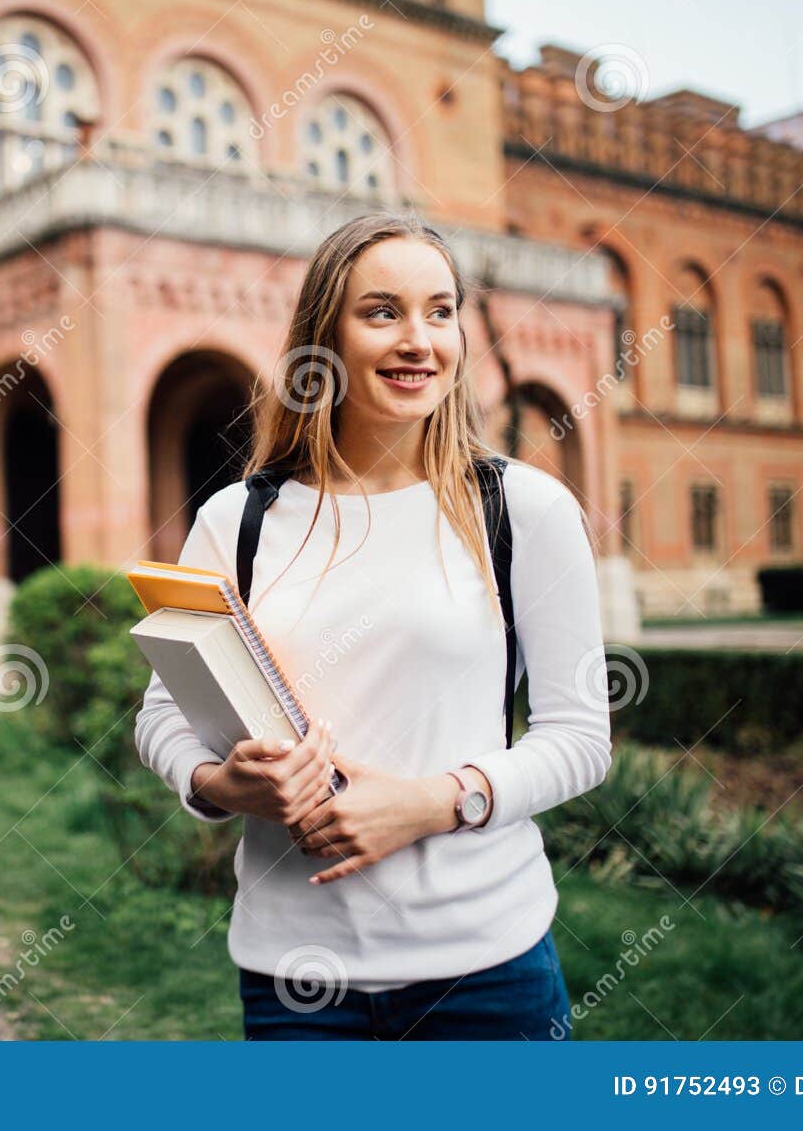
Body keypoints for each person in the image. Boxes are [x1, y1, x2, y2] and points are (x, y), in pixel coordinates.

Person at [133, 212, 612, 1040]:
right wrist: (219, 785)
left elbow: (581, 737)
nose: (418, 339)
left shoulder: (522, 510)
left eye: (440, 310)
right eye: (382, 311)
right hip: (296, 978)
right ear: (326, 337)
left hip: (488, 967)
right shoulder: (234, 520)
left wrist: (434, 802)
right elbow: (163, 713)